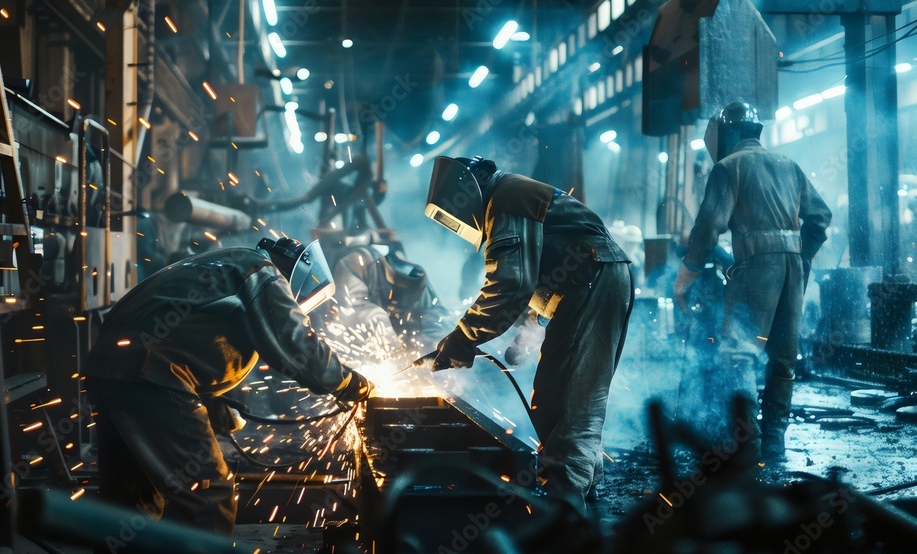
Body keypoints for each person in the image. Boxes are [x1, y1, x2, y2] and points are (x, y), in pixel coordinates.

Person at [83, 238, 373, 554]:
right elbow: (296, 345)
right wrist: (349, 382)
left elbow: (191, 329)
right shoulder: (263, 273)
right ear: (296, 270)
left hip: (111, 369)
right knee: (206, 492)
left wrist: (209, 399)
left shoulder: (229, 262)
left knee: (132, 504)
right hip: (151, 375)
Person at [423, 156, 634, 506]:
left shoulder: (505, 196)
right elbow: (537, 268)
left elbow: (510, 283)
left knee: (573, 395)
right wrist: (528, 326)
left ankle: (566, 502)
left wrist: (462, 339)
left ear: (466, 187)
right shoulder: (507, 197)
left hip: (596, 282)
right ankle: (576, 487)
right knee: (551, 393)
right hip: (583, 286)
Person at [673, 102, 831, 460]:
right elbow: (820, 218)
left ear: (725, 135)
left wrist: (687, 272)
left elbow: (708, 227)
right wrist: (801, 257)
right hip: (793, 269)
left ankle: (749, 444)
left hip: (755, 269)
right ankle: (775, 443)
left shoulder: (729, 167)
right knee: (783, 359)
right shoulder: (789, 165)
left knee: (740, 356)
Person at [331, 240, 451, 352]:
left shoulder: (419, 282)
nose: (395, 306)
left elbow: (438, 318)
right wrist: (393, 348)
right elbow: (353, 310)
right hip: (342, 336)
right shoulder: (358, 261)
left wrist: (430, 347)